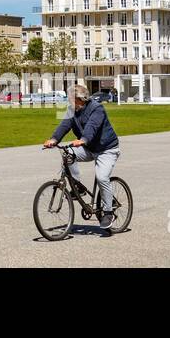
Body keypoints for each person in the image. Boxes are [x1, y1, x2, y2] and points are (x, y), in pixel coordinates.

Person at [42, 83, 122, 229]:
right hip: (89, 148)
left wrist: (83, 140)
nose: (69, 101)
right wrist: (53, 140)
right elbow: (64, 125)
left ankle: (108, 212)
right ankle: (78, 188)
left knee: (102, 177)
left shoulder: (97, 108)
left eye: (71, 99)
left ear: (80, 99)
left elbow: (92, 126)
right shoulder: (72, 110)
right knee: (68, 154)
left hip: (107, 149)